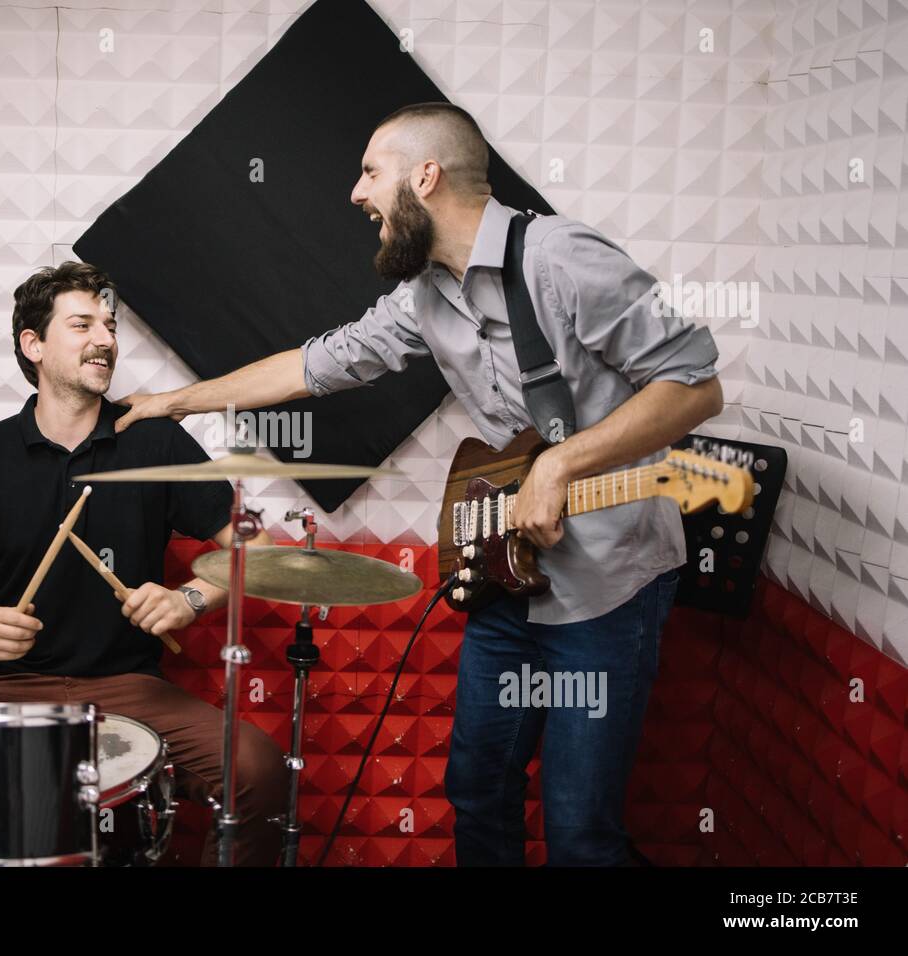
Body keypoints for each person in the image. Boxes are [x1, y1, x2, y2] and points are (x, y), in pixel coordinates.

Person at [113, 102, 724, 866]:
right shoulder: (426, 297)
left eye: (372, 172)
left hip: (610, 590)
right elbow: (312, 366)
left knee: (579, 834)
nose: (357, 194)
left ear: (426, 177)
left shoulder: (566, 259)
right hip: (506, 580)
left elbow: (696, 385)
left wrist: (563, 464)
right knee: (478, 793)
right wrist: (172, 401)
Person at [0, 261, 285, 866]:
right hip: (2, 685)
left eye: (110, 325)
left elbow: (260, 552)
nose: (105, 339)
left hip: (128, 687)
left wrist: (188, 600)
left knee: (257, 768)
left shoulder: (154, 443)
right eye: (82, 324)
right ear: (34, 345)